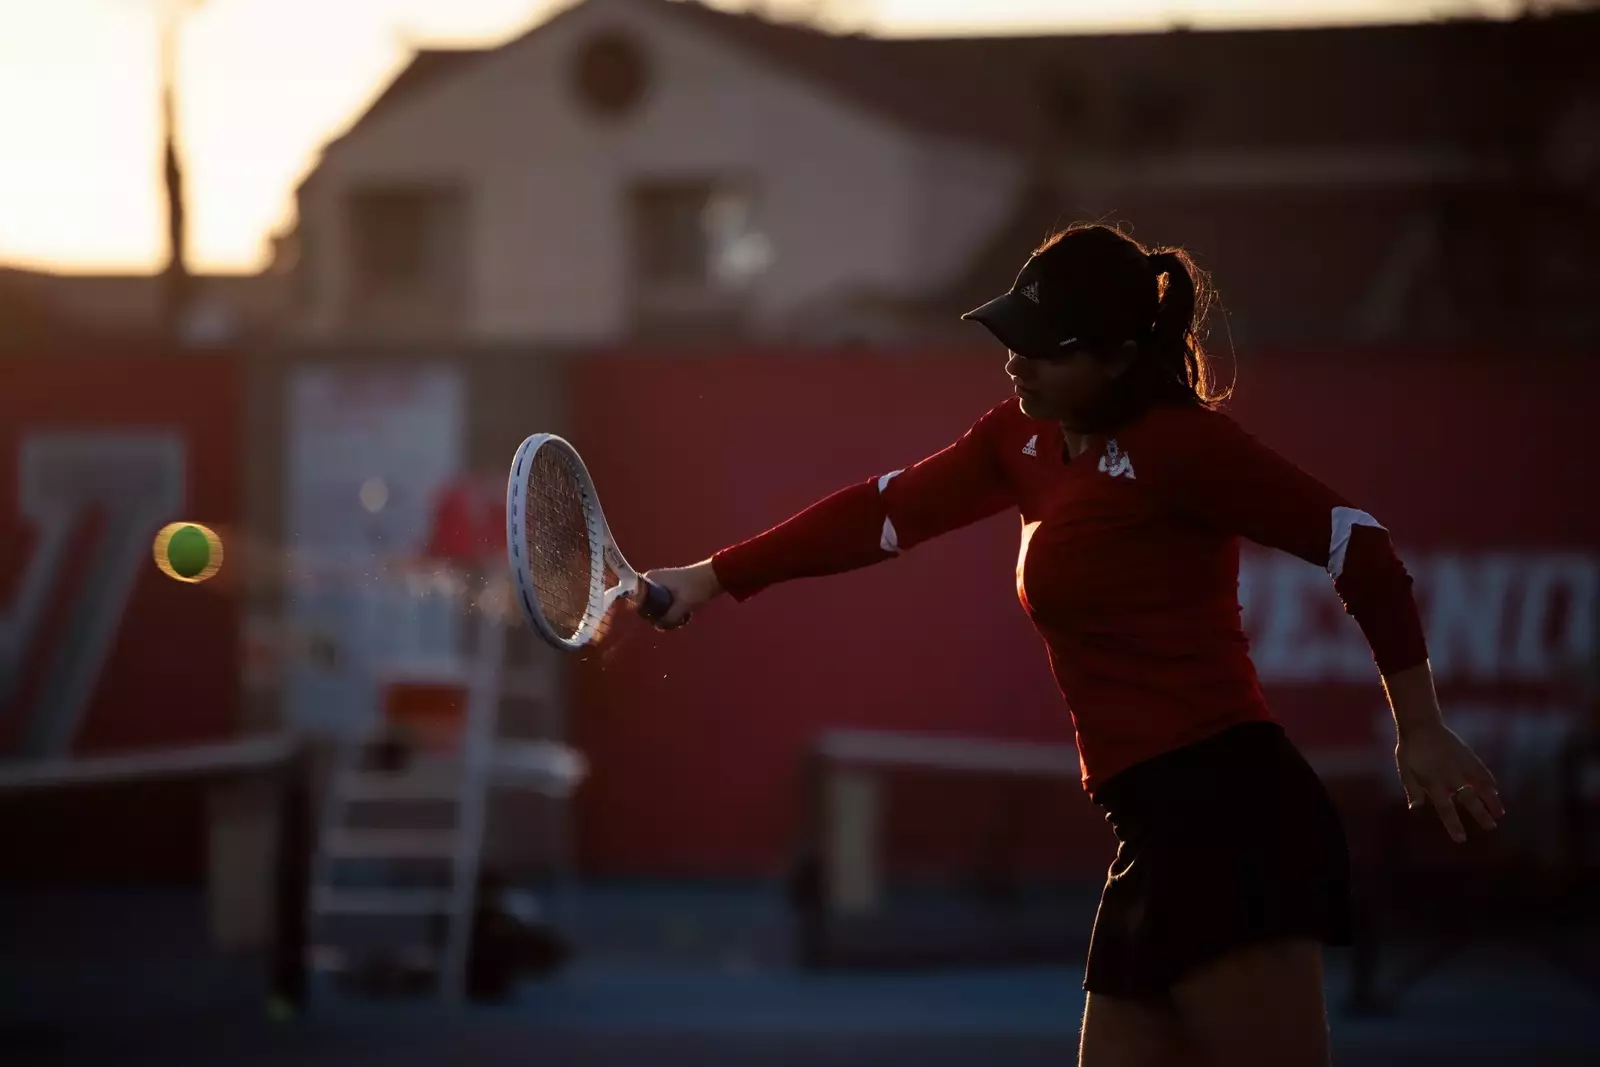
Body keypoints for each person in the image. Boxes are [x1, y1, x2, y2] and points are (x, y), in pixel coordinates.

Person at [636, 224, 1504, 1066]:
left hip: (1231, 820)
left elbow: (1361, 544)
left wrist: (1418, 725)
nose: (1016, 360)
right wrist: (713, 575)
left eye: (1045, 347)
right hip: (1151, 830)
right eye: (1013, 336)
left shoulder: (1181, 447)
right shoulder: (1019, 441)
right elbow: (882, 513)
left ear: (1118, 356)